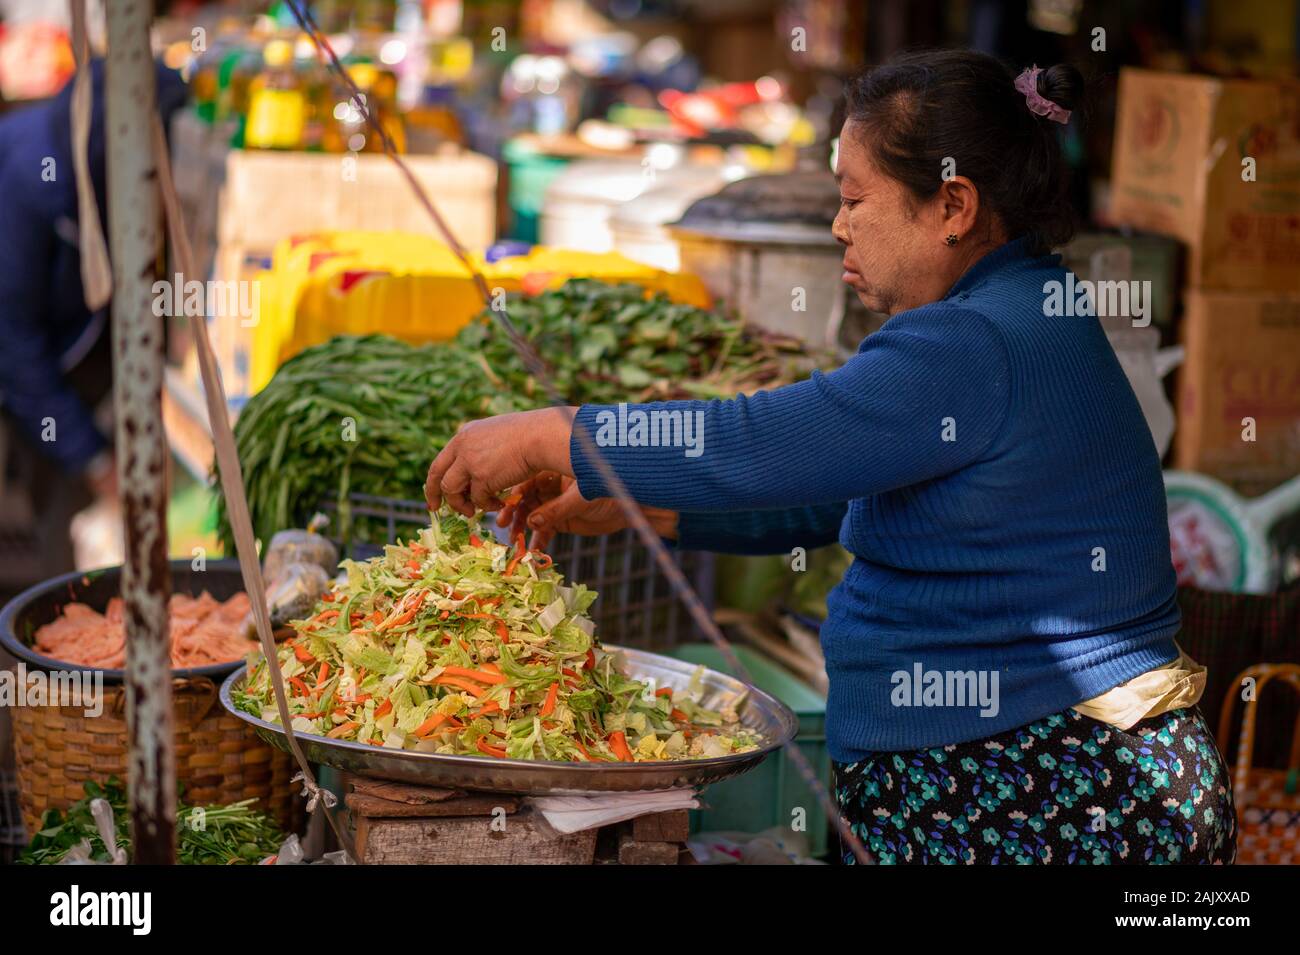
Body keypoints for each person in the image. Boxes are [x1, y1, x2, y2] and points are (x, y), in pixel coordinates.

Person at [425, 49, 1235, 865]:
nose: (838, 224)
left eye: (854, 198)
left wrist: (554, 434)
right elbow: (847, 489)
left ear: (953, 203)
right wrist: (650, 505)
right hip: (1068, 770)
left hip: (1046, 790)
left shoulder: (974, 339)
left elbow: (765, 440)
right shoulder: (1019, 309)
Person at [0, 59, 185, 582]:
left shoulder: (115, 136)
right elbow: (17, 349)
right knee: (61, 493)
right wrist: (93, 459)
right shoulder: (34, 184)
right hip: (33, 358)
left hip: (78, 341)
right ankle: (62, 621)